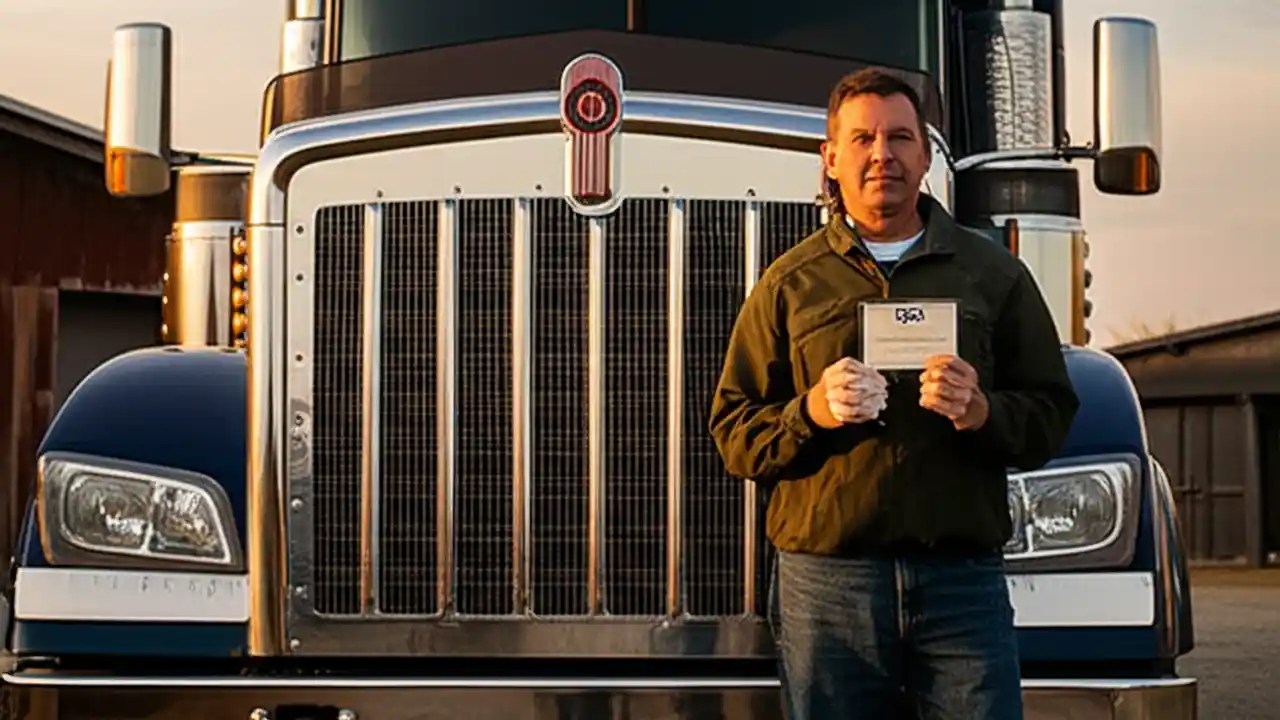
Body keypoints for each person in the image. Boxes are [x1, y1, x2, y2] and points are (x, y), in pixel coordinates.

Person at [708, 67, 1080, 719]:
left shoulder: (995, 276)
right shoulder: (788, 285)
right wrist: (810, 413)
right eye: (863, 139)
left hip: (961, 584)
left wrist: (985, 410)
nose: (883, 155)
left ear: (927, 154)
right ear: (830, 158)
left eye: (901, 137)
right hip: (828, 588)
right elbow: (734, 431)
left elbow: (1053, 413)